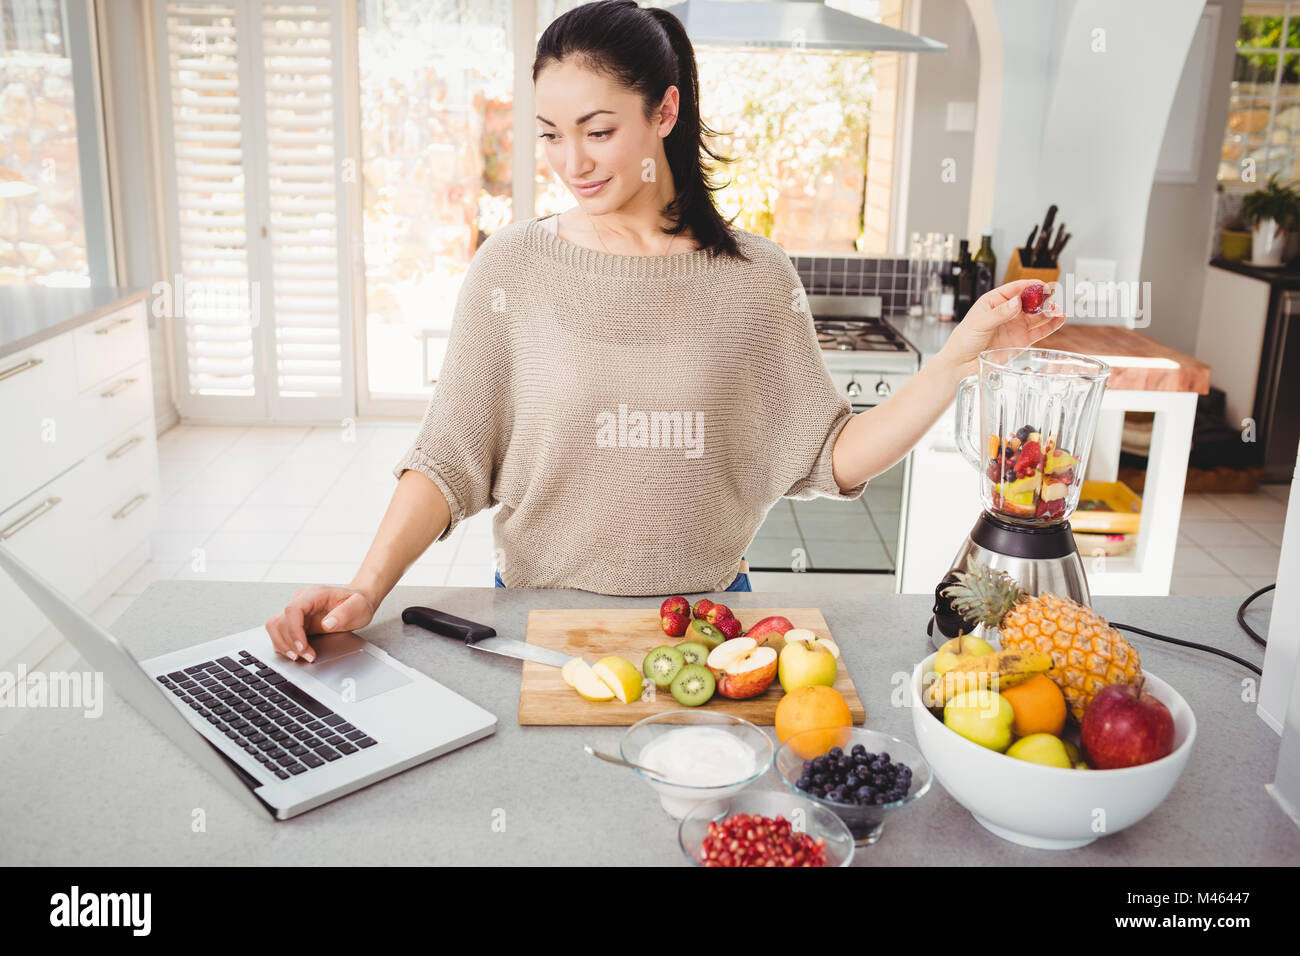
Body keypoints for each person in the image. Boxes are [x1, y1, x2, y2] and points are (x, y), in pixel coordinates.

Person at [264, 0, 1063, 662]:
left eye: (598, 130)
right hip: (539, 627)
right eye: (549, 132)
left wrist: (960, 358)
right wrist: (367, 586)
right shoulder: (511, 269)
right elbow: (447, 459)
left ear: (665, 111)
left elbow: (831, 455)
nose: (570, 160)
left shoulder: (754, 276)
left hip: (713, 629)